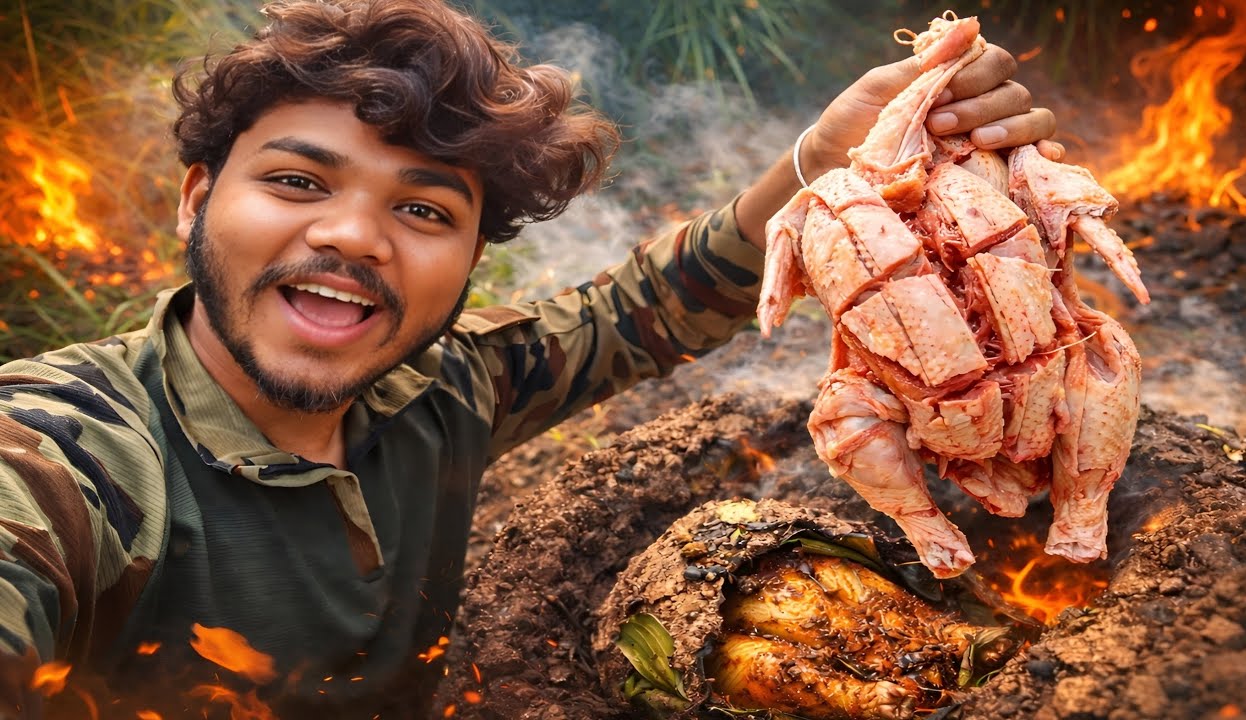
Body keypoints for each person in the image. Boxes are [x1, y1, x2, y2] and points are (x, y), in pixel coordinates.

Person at [0, 0, 1059, 717]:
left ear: (470, 260)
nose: (355, 238)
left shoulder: (440, 389)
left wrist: (819, 165)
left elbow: (645, 309)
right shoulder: (66, 454)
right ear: (196, 199)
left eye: (423, 209)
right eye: (297, 182)